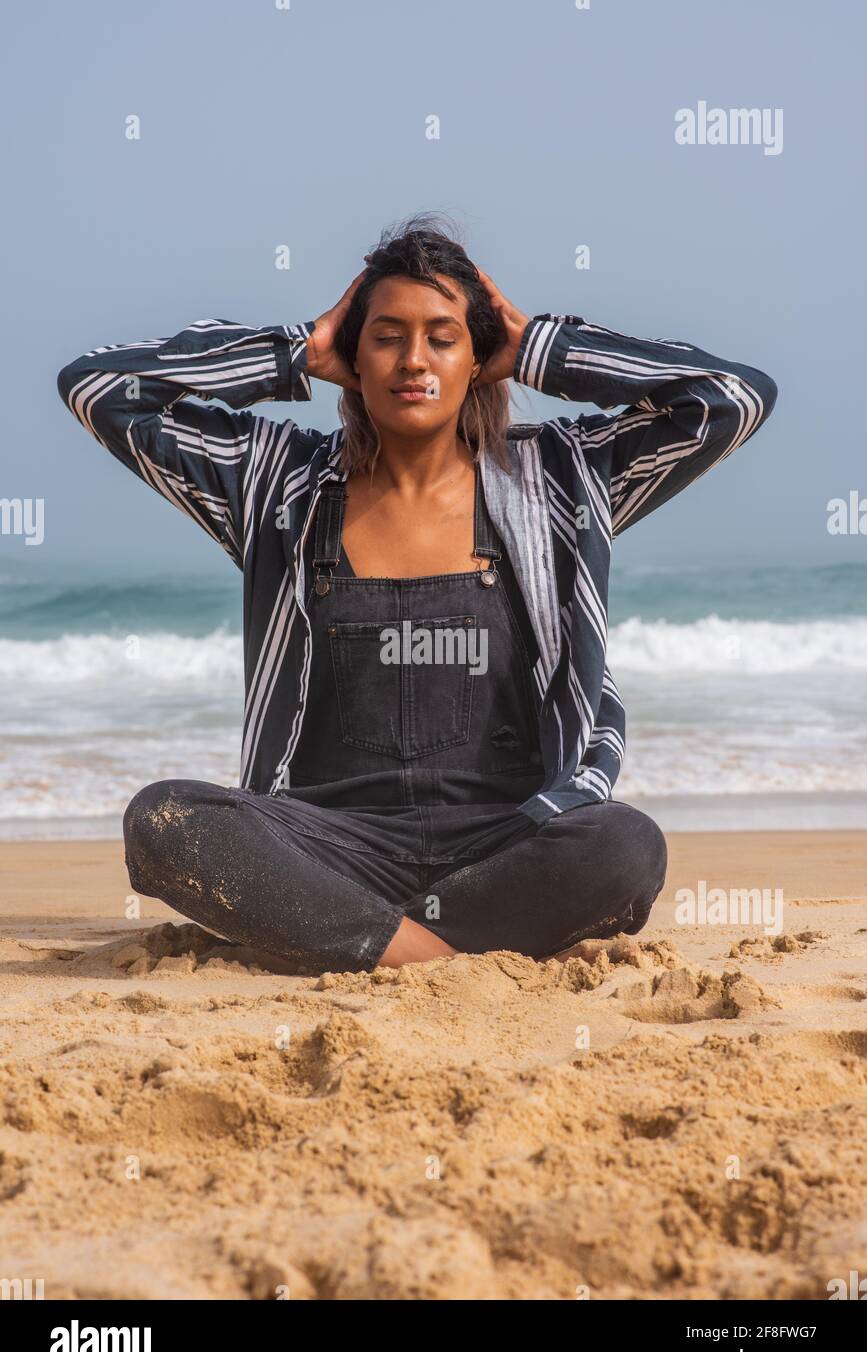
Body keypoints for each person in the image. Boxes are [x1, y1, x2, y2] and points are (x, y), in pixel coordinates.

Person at [56, 214, 778, 975]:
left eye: (441, 336)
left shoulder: (563, 480)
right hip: (328, 845)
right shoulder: (276, 485)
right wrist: (289, 353)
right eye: (386, 335)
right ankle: (428, 955)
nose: (412, 360)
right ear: (350, 354)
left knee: (624, 845)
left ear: (479, 358)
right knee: (165, 820)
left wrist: (540, 348)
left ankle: (355, 942)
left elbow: (732, 398)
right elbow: (99, 388)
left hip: (507, 838)